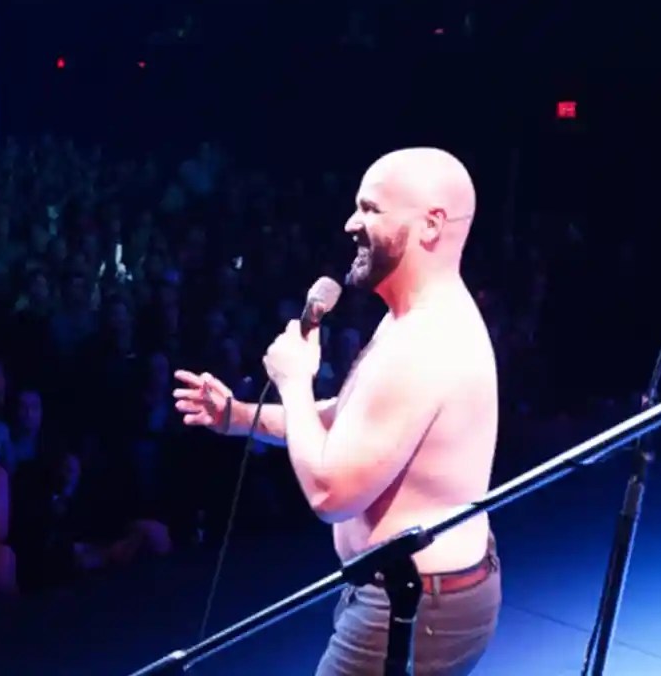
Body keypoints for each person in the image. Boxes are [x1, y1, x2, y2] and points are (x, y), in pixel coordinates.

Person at [173, 148, 501, 675]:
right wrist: (237, 416)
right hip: (412, 593)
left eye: (371, 209)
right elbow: (352, 423)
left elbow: (332, 493)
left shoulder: (425, 341)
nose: (352, 224)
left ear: (431, 224)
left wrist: (295, 380)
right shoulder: (410, 320)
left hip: (411, 607)